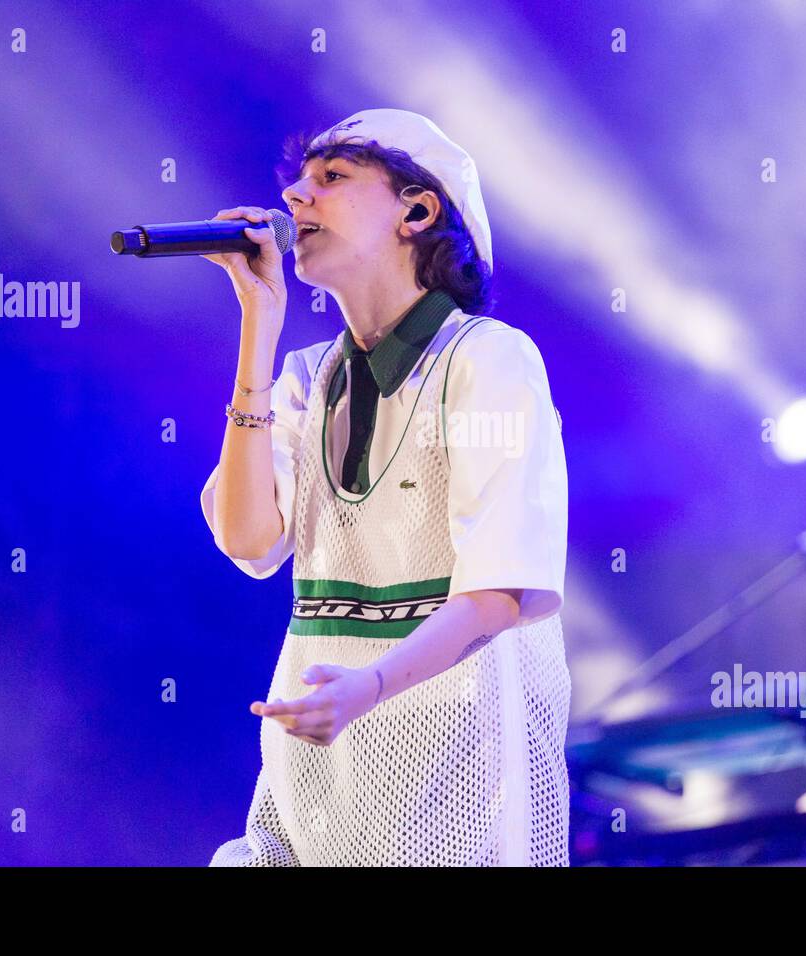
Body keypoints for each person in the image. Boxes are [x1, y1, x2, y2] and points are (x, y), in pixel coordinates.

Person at [198, 109, 571, 866]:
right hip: (315, 777)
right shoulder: (308, 377)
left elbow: (498, 593)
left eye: (331, 178)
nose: (297, 198)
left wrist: (366, 688)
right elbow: (247, 537)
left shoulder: (488, 360)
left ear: (418, 210)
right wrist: (257, 325)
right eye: (298, 183)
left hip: (456, 780)